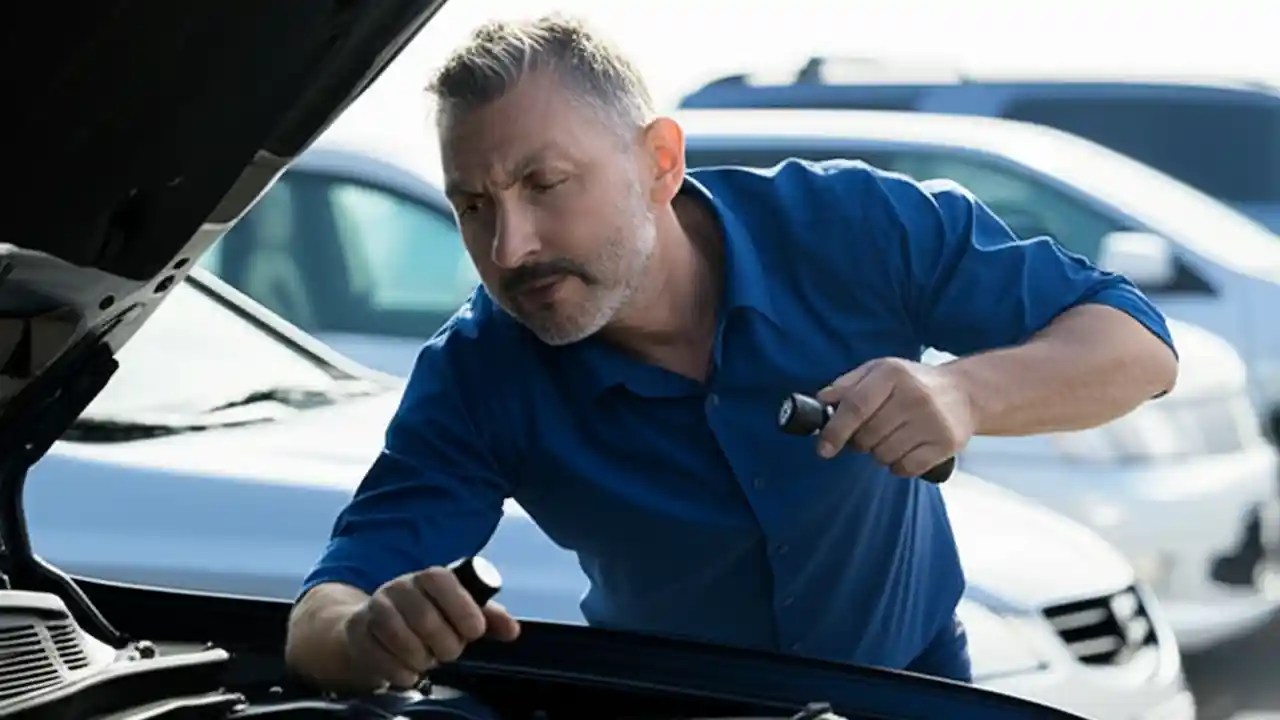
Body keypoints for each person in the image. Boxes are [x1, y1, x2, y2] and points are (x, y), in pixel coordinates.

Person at [283, 15, 1179, 692]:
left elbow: (1136, 341)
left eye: (544, 184)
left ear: (659, 162)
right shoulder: (477, 371)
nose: (509, 247)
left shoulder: (854, 227)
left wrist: (968, 394)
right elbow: (323, 611)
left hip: (911, 686)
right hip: (680, 703)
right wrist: (368, 637)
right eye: (473, 206)